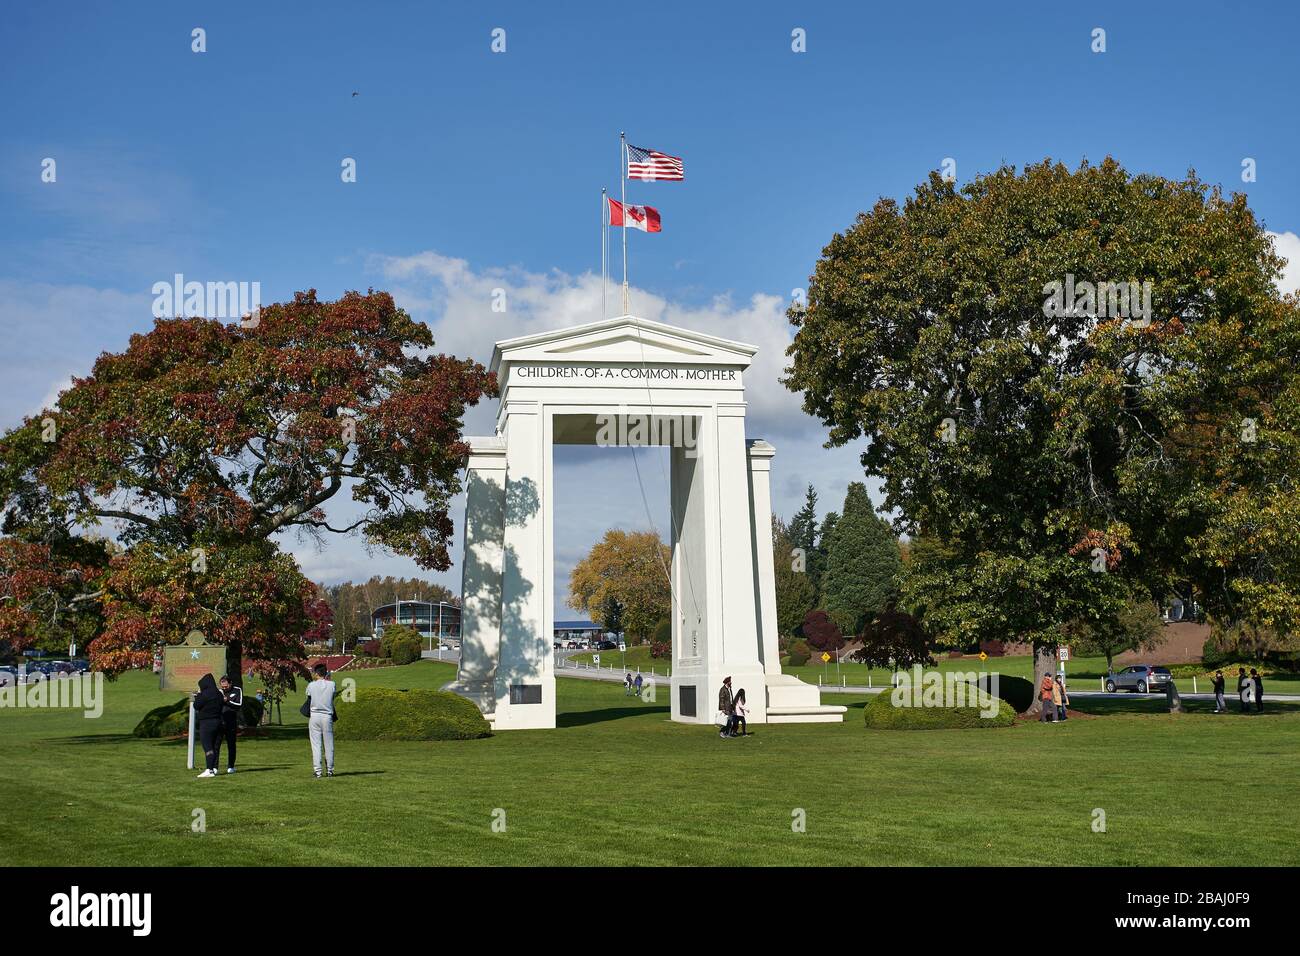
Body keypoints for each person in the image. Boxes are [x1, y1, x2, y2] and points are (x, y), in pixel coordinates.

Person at [306, 663, 337, 778]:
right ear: (326, 673)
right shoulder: (332, 684)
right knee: (329, 744)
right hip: (327, 716)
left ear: (316, 673)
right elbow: (332, 695)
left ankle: (318, 771)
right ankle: (330, 770)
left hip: (314, 715)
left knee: (316, 745)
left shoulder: (311, 685)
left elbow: (309, 697)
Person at [193, 673, 224, 778]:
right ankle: (214, 767)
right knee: (215, 746)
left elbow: (196, 706)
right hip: (219, 722)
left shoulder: (204, 694)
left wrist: (198, 696)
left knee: (208, 747)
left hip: (206, 723)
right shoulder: (219, 694)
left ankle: (209, 770)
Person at [216, 675, 243, 774]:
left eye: (226, 686)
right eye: (222, 686)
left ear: (230, 683)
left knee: (231, 745)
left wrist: (227, 701)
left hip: (231, 721)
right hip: (220, 720)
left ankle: (231, 766)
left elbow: (239, 704)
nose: (224, 688)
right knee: (216, 744)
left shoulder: (237, 690)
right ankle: (215, 767)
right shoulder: (219, 691)